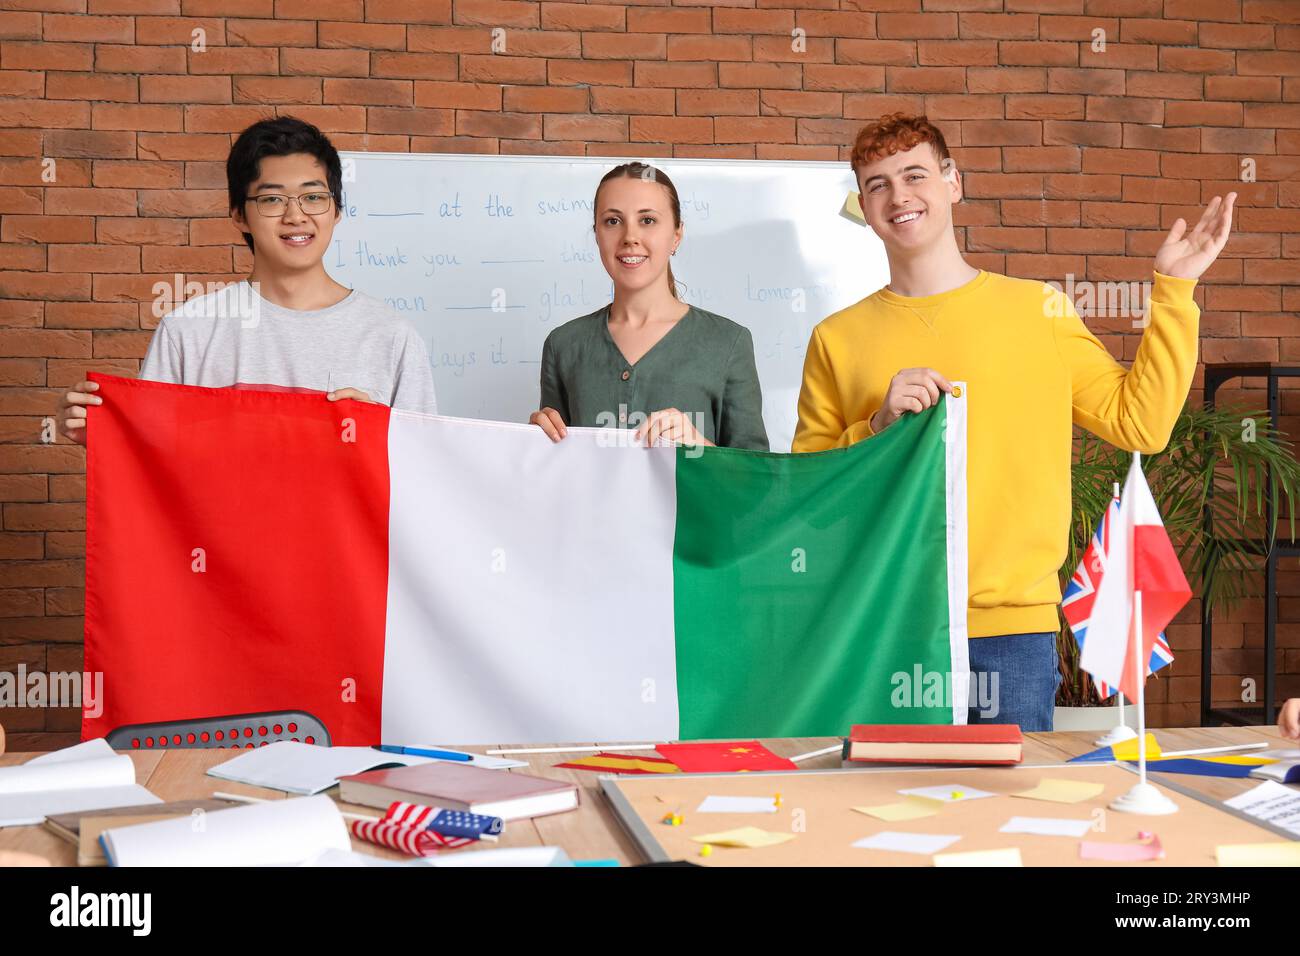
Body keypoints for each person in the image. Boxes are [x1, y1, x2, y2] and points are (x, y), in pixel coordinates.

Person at [793, 112, 1236, 731]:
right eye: (877, 184)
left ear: (954, 182)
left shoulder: (1039, 311)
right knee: (885, 814)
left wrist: (1175, 290)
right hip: (885, 625)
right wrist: (876, 427)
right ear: (864, 208)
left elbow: (1141, 423)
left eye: (915, 174)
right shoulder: (835, 339)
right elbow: (811, 496)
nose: (899, 196)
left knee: (1010, 823)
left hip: (1011, 633)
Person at [58, 116, 437, 443]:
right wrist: (106, 437)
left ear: (336, 210)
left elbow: (426, 475)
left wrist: (378, 434)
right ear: (239, 215)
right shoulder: (188, 332)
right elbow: (156, 461)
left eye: (313, 197)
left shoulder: (391, 337)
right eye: (272, 200)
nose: (296, 216)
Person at [529, 162, 768, 451]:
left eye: (648, 220)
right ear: (597, 234)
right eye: (613, 221)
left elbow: (755, 481)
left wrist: (701, 447)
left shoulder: (728, 343)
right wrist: (535, 445)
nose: (630, 237)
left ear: (676, 235)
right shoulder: (563, 345)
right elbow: (557, 473)